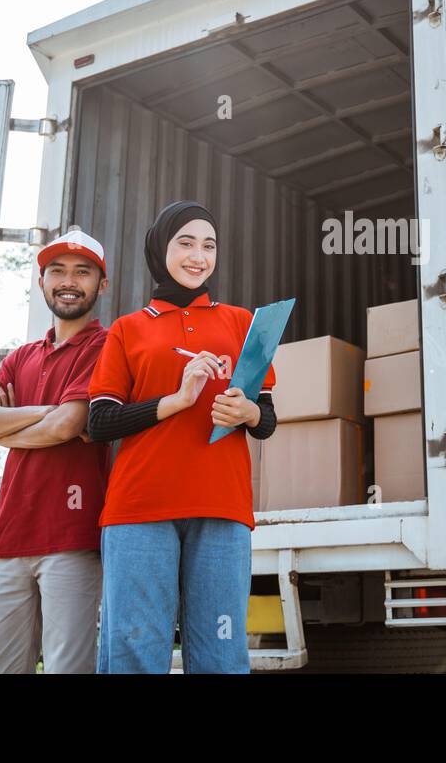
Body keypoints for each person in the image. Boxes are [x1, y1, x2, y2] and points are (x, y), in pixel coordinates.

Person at [86, 200, 278, 674]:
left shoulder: (241, 323)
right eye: (185, 243)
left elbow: (267, 419)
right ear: (160, 249)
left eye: (209, 245)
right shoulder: (127, 330)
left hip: (222, 507)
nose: (198, 256)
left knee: (222, 654)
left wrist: (247, 411)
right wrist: (175, 400)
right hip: (139, 509)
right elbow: (100, 423)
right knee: (134, 651)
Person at [0, 229, 110, 674]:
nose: (69, 281)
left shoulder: (106, 346)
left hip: (71, 539)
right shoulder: (20, 356)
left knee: (69, 669)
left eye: (82, 272)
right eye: (57, 271)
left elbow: (70, 425)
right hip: (7, 541)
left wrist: (8, 430)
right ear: (41, 281)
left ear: (101, 284)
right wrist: (46, 413)